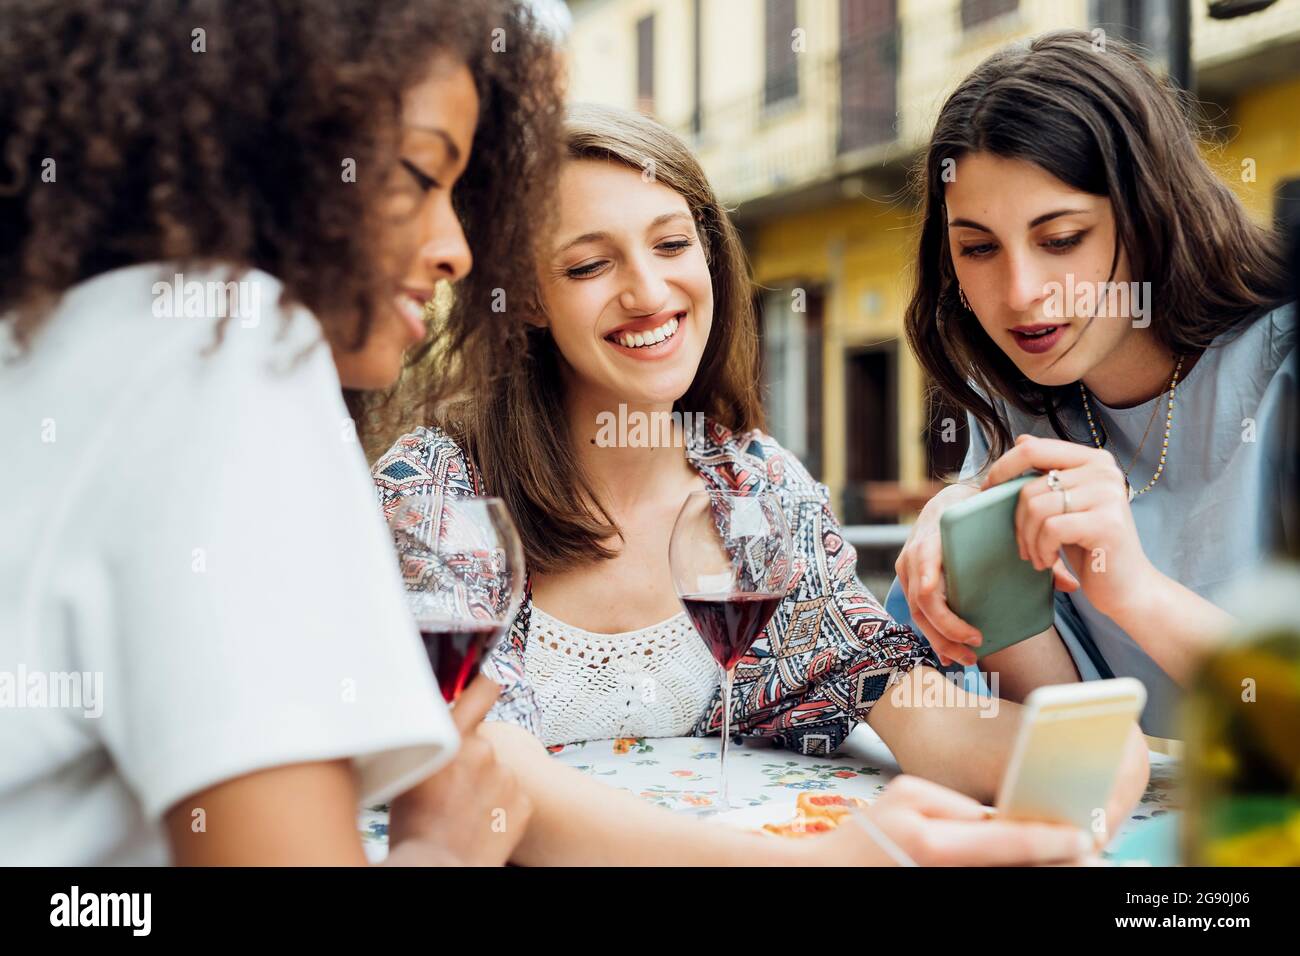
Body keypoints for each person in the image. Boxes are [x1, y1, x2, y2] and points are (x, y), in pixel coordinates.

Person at [371, 103, 1146, 865]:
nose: (648, 291)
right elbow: (493, 782)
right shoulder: (436, 489)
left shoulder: (756, 489)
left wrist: (1080, 762)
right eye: (589, 264)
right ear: (530, 296)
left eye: (672, 244)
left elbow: (902, 696)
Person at [0, 0, 563, 865]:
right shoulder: (220, 348)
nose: (457, 249)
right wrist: (444, 848)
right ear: (269, 149)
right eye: (419, 173)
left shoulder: (63, 349)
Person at [890, 30, 1295, 740]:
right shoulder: (1016, 403)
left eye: (1062, 238)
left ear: (1147, 217)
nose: (1020, 294)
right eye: (978, 248)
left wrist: (1134, 590)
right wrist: (977, 561)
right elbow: (1071, 732)